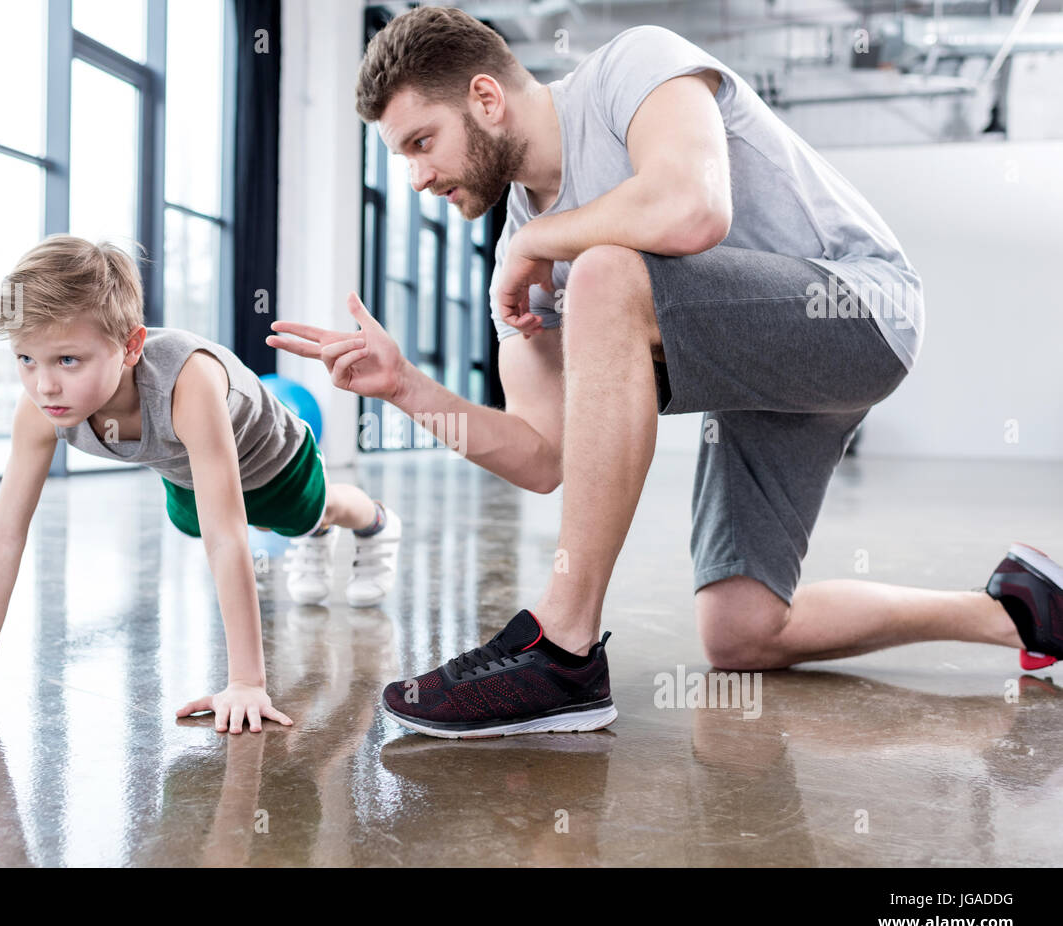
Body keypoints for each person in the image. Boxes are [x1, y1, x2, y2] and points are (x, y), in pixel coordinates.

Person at [268, 7, 1061, 738]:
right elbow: (547, 455)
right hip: (761, 376)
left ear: (484, 97)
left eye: (420, 143)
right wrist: (408, 386)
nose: (416, 178)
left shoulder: (631, 68)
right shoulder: (525, 237)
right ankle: (1021, 610)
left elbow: (692, 209)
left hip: (857, 310)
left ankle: (563, 646)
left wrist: (546, 246)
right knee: (742, 631)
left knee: (608, 272)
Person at [0, 235, 401, 733]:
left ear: (130, 346)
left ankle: (374, 521)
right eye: (25, 360)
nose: (44, 384)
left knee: (312, 512)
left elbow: (229, 537)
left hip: (273, 460)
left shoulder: (188, 382)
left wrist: (246, 682)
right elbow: (4, 531)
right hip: (186, 472)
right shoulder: (41, 406)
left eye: (67, 360)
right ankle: (311, 532)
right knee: (192, 520)